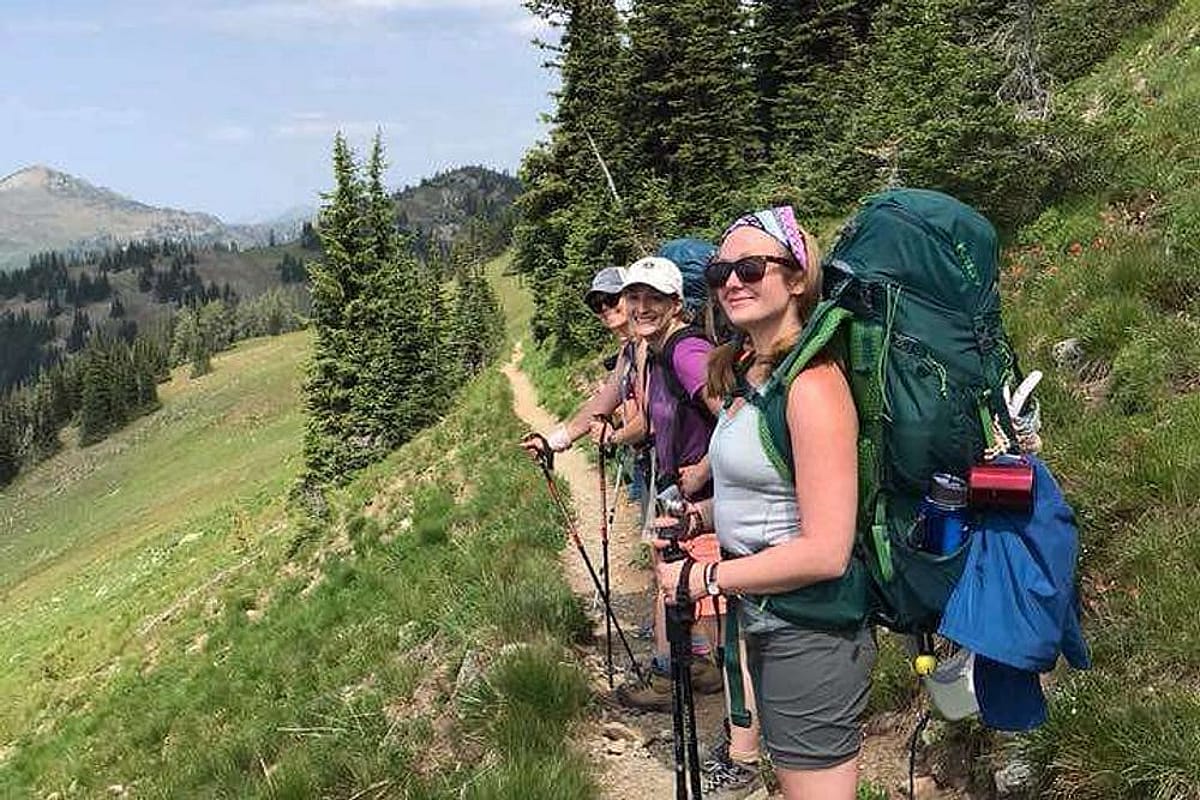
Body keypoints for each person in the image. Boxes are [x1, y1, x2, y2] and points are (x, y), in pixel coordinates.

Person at [658, 206, 876, 800]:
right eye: (720, 271)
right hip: (768, 619)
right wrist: (697, 517)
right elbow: (765, 492)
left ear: (798, 276)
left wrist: (706, 576)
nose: (731, 281)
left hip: (812, 628)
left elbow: (827, 551)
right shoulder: (751, 375)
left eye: (752, 267)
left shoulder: (813, 386)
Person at [614, 255, 726, 708]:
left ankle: (686, 682)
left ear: (677, 304)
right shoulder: (660, 351)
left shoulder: (685, 352)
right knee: (673, 583)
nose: (641, 307)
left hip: (700, 498)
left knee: (695, 589)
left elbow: (737, 416)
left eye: (654, 298)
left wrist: (703, 470)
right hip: (676, 492)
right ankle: (689, 668)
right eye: (634, 297)